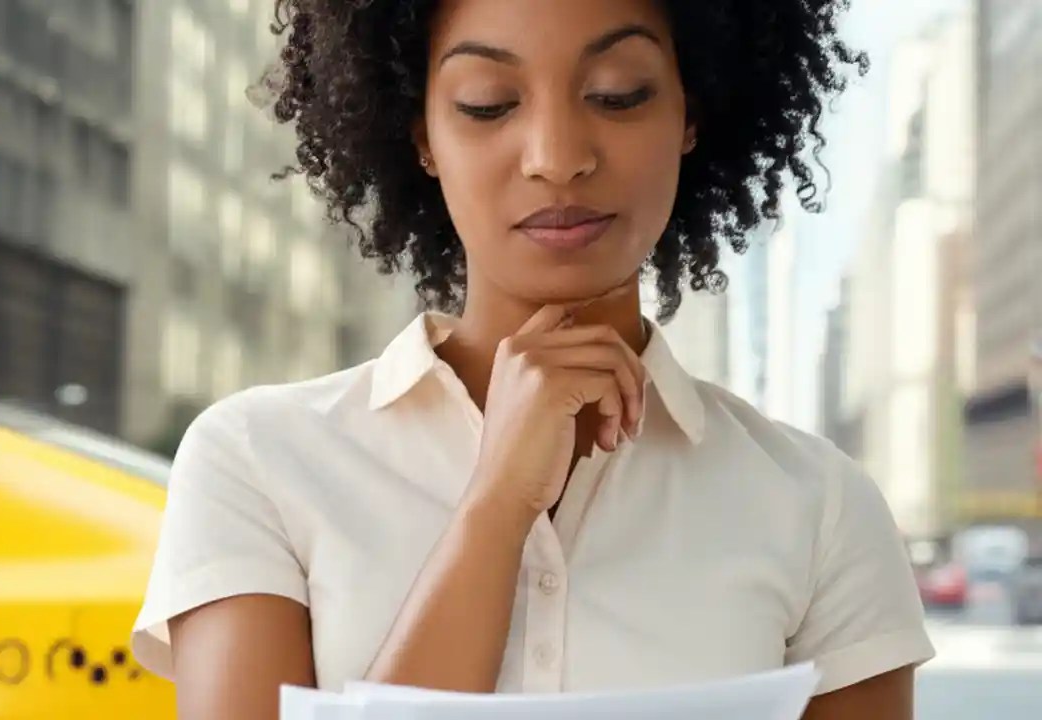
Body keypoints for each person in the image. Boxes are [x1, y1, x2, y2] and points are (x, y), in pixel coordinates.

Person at [132, 1, 935, 718]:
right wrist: (495, 508)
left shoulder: (821, 509)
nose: (557, 156)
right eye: (488, 104)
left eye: (619, 93)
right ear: (422, 136)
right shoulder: (256, 460)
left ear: (693, 112)